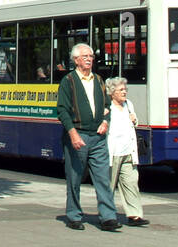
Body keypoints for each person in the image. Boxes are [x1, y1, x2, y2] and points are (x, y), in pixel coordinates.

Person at [55, 43, 119, 232]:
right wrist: (72, 134)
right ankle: (74, 215)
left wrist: (106, 121)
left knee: (102, 178)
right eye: (85, 56)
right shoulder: (68, 81)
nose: (89, 59)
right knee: (74, 178)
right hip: (78, 136)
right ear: (76, 60)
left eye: (91, 56)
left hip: (98, 137)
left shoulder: (99, 80)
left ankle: (108, 217)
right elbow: (62, 111)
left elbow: (108, 106)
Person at [105, 77, 148, 227]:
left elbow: (133, 123)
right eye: (121, 90)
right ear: (112, 92)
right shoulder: (107, 107)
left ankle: (134, 215)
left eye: (125, 89)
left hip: (129, 152)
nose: (124, 92)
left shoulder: (129, 104)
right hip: (113, 152)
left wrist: (135, 119)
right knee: (108, 186)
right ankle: (107, 216)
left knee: (131, 184)